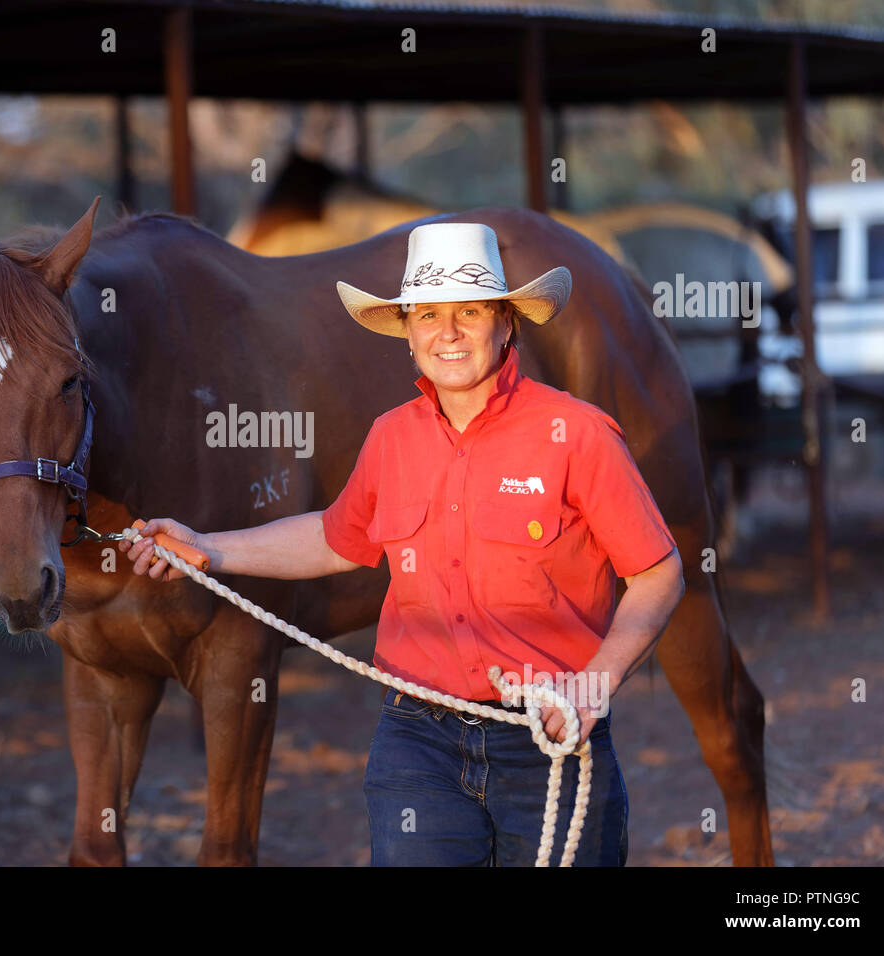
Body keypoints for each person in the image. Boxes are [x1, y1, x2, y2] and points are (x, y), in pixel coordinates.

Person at [119, 221, 685, 866]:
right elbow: (335, 539)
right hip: (418, 738)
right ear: (407, 332)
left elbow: (658, 574)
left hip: (549, 731)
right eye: (428, 316)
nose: (447, 333)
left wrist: (595, 686)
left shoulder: (578, 434)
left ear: (506, 324)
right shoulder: (390, 438)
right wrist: (206, 548)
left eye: (469, 312)